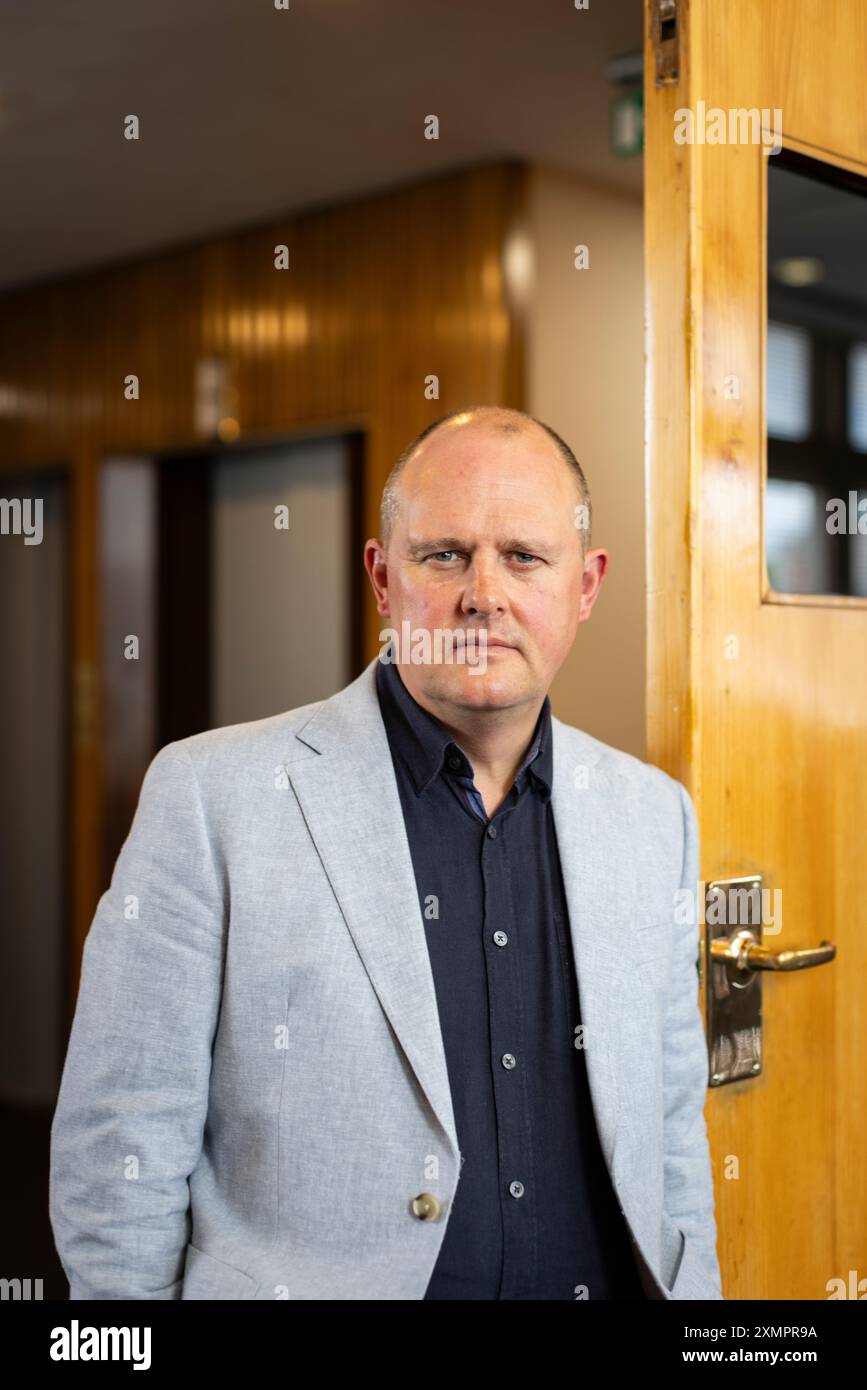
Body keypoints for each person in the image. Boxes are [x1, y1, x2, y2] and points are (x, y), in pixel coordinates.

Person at [49, 405, 723, 1300]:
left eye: (524, 557)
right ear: (380, 579)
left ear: (586, 586)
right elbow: (118, 1148)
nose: (482, 593)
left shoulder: (653, 819)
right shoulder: (213, 799)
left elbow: (674, 1136)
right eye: (442, 555)